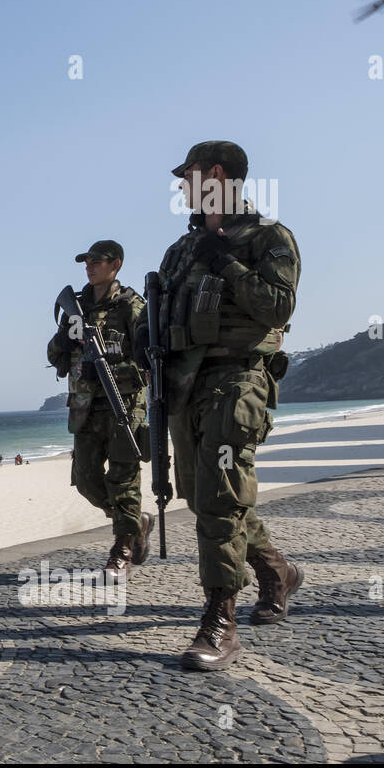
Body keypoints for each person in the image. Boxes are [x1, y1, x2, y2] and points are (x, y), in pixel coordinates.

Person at [140, 141, 303, 671]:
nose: (181, 185)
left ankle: (220, 622)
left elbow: (276, 307)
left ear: (214, 173)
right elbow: (160, 314)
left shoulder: (269, 238)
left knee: (217, 499)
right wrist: (146, 338)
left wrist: (228, 262)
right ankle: (276, 571)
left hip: (238, 379)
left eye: (186, 174)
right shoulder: (181, 249)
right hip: (184, 386)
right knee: (211, 496)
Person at [47, 241, 152, 581]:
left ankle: (121, 550)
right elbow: (54, 356)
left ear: (115, 264)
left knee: (124, 481)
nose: (89, 267)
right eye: (86, 262)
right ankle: (135, 523)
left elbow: (147, 362)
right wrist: (63, 340)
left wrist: (112, 370)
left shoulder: (132, 306)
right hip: (84, 407)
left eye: (96, 261)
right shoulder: (75, 307)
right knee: (86, 480)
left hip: (123, 405)